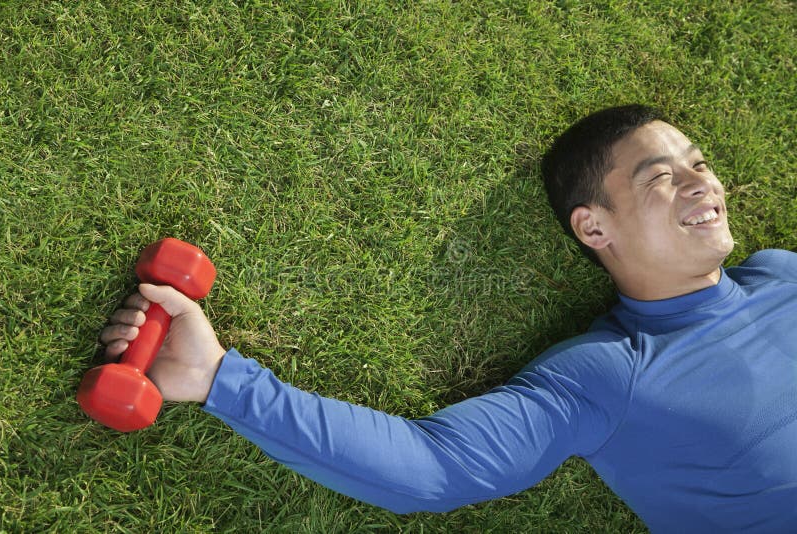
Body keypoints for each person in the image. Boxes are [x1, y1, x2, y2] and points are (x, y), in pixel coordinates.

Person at [99, 105, 797, 533]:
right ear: (593, 228)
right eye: (661, 176)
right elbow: (430, 466)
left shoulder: (780, 272)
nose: (704, 181)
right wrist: (224, 378)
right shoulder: (610, 375)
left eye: (698, 162)